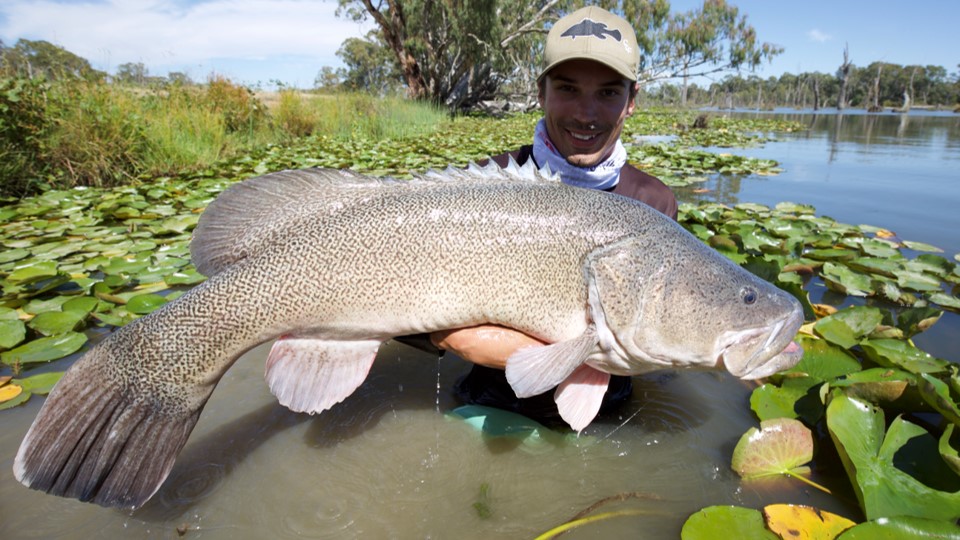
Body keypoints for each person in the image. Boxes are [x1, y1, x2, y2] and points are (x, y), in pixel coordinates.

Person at [432, 6, 678, 424]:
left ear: (631, 101)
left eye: (608, 93)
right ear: (541, 92)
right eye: (567, 89)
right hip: (489, 404)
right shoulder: (486, 185)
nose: (585, 114)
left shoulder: (654, 203)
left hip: (608, 415)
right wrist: (451, 338)